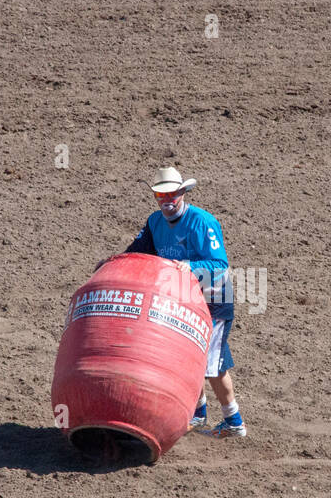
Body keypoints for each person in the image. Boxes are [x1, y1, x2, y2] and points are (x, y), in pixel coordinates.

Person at [100, 167, 246, 438]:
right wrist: (114, 262)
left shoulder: (203, 222)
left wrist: (185, 267)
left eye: (171, 194)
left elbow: (219, 265)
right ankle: (198, 413)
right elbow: (137, 252)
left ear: (182, 193)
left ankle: (233, 421)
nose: (166, 200)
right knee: (186, 355)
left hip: (213, 300)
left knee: (211, 363)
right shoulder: (155, 222)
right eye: (160, 194)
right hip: (180, 298)